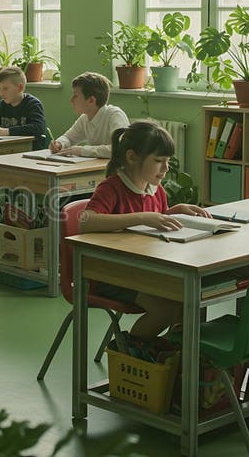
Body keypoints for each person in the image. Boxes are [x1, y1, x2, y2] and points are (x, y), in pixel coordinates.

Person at [79, 121, 211, 339]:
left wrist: (176, 211)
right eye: (158, 161)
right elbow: (86, 221)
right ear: (132, 157)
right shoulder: (112, 187)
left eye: (167, 161)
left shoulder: (155, 189)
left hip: (146, 270)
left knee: (188, 301)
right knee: (165, 309)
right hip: (112, 275)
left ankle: (172, 361)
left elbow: (154, 222)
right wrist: (141, 217)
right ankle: (134, 358)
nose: (166, 168)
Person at [50, 72, 130, 158]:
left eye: (75, 96)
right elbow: (69, 138)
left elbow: (120, 149)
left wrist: (81, 150)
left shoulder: (115, 115)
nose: (71, 100)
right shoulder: (85, 118)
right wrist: (59, 144)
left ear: (91, 100)